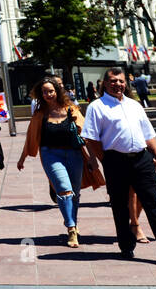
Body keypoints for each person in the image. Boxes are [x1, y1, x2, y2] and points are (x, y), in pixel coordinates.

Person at [83, 66, 156, 263]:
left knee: (153, 205)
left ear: (126, 83)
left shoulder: (135, 105)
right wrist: (105, 160)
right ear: (105, 83)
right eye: (113, 81)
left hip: (142, 160)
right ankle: (126, 246)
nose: (118, 84)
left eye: (121, 81)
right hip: (115, 161)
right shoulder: (96, 107)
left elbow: (148, 134)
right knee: (120, 206)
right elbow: (91, 138)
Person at [16, 76, 104, 248]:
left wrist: (93, 158)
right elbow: (30, 137)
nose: (48, 94)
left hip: (74, 154)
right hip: (51, 155)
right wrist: (22, 158)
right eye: (44, 92)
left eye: (51, 91)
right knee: (64, 190)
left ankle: (73, 222)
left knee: (75, 193)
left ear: (57, 91)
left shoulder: (71, 110)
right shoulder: (40, 114)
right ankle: (71, 228)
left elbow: (86, 134)